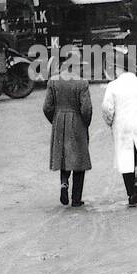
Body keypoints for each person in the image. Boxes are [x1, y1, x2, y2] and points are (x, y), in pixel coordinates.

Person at [101, 62, 137, 207]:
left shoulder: (113, 86)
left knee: (126, 158)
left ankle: (131, 192)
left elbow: (107, 108)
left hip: (122, 126)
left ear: (120, 68)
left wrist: (110, 123)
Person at [43, 71, 93, 207]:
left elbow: (47, 107)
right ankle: (76, 199)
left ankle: (64, 183)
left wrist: (55, 120)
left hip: (59, 120)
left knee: (63, 156)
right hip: (77, 121)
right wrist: (85, 124)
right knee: (79, 159)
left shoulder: (53, 81)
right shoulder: (82, 82)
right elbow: (86, 108)